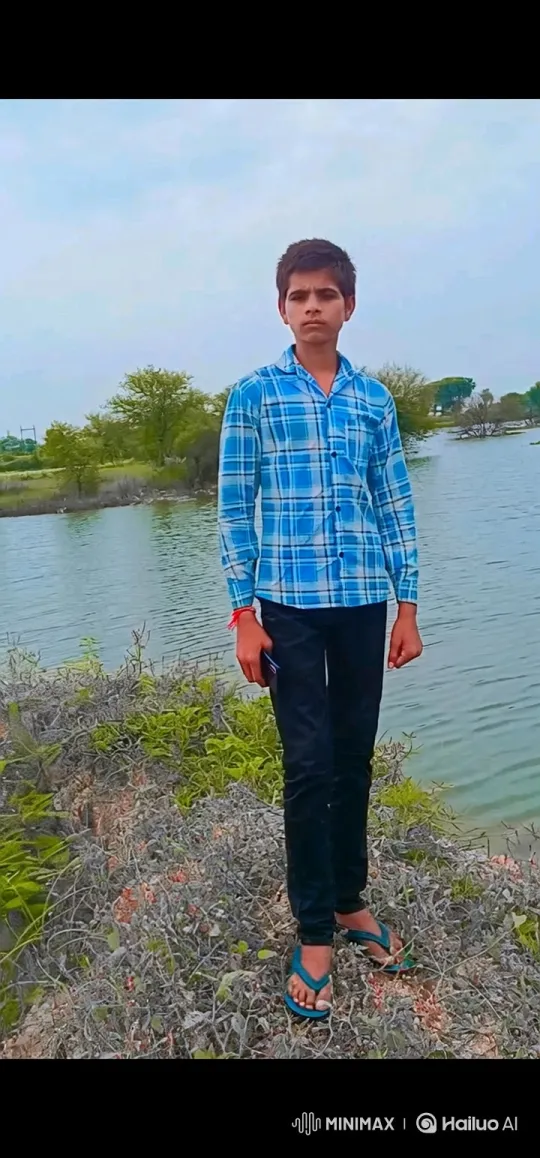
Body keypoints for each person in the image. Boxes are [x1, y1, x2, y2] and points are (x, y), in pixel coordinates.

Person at [217, 238, 423, 1021]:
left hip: (364, 601)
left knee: (354, 757)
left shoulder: (374, 400)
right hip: (289, 607)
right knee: (307, 766)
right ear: (282, 308)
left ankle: (348, 898)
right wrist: (244, 615)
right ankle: (312, 932)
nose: (312, 307)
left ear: (348, 306)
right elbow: (234, 507)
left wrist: (407, 606)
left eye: (325, 295)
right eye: (299, 296)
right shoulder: (254, 395)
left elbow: (394, 502)